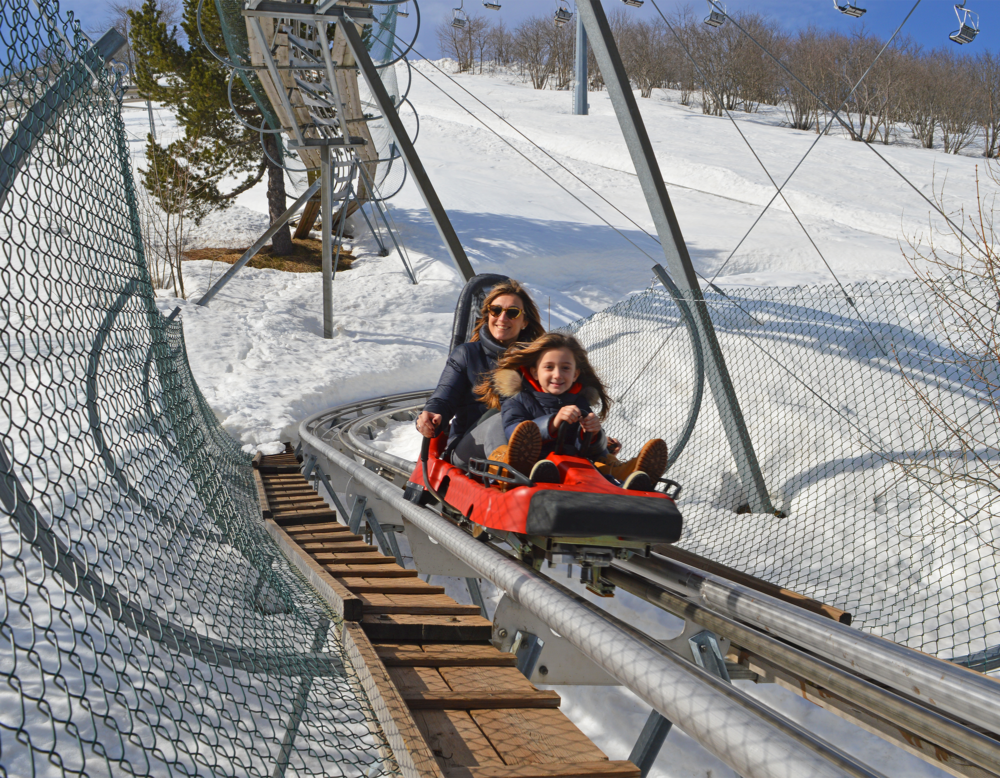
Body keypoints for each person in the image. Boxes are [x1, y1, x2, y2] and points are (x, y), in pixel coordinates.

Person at [476, 332, 668, 491]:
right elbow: (512, 431)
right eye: (549, 367)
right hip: (529, 462)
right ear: (535, 372)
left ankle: (628, 473)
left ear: (575, 374)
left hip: (567, 466)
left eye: (565, 368)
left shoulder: (580, 402)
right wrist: (552, 423)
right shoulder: (518, 398)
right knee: (507, 447)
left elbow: (590, 450)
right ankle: (508, 470)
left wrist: (592, 434)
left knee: (600, 460)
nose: (557, 375)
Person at [416, 279, 545, 468]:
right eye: (496, 310)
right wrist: (431, 414)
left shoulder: (539, 361)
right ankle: (507, 468)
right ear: (487, 315)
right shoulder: (467, 354)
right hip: (467, 448)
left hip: (528, 444)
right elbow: (444, 396)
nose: (502, 318)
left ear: (524, 321)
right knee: (502, 418)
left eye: (512, 312)